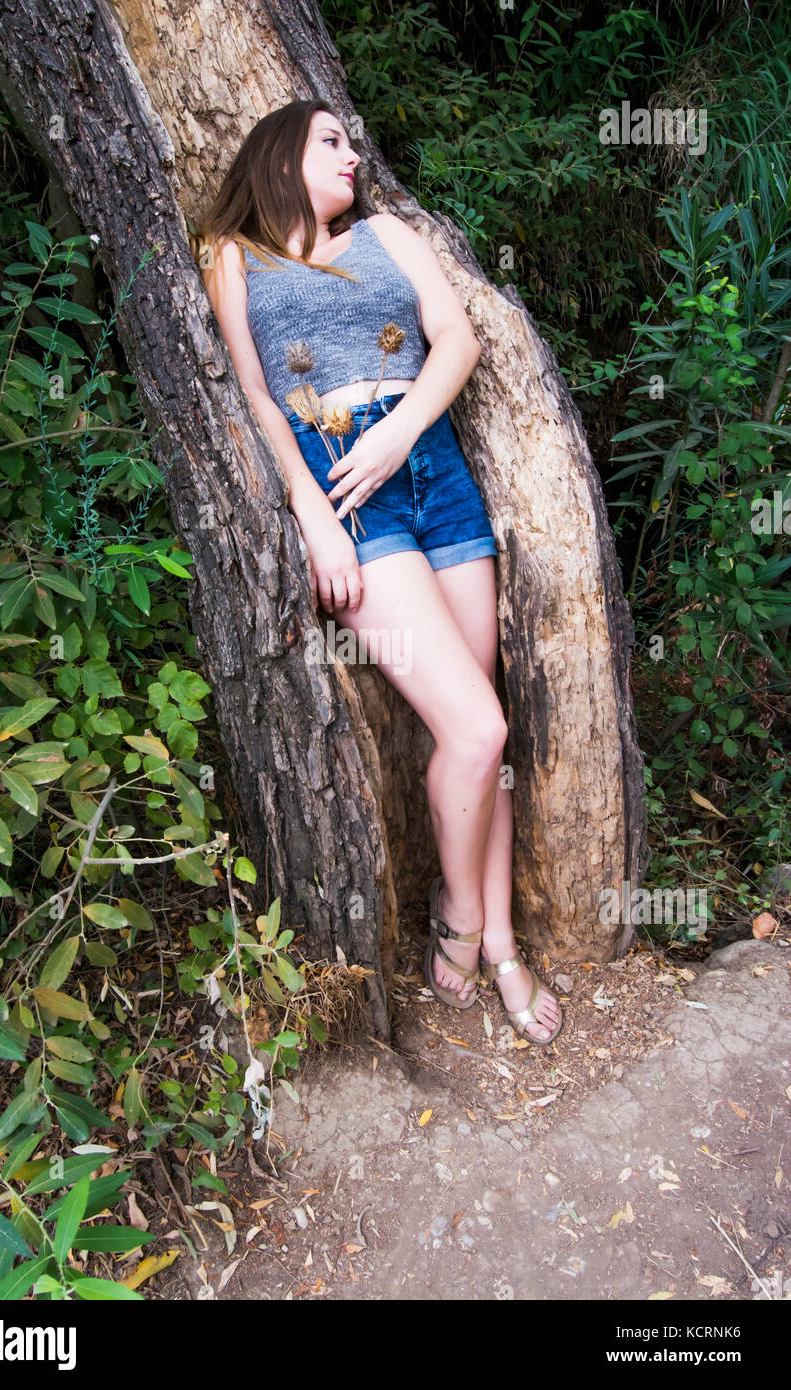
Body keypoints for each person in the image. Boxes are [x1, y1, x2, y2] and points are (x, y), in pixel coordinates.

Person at [200, 99, 561, 1044]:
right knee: (477, 729)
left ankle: (504, 945)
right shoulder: (233, 257)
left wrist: (403, 431)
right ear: (280, 152)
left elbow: (459, 341)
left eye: (354, 142)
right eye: (332, 140)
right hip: (348, 490)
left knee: (483, 727)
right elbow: (257, 398)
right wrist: (312, 514)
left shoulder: (389, 234)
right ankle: (462, 920)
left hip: (432, 467)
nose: (353, 155)